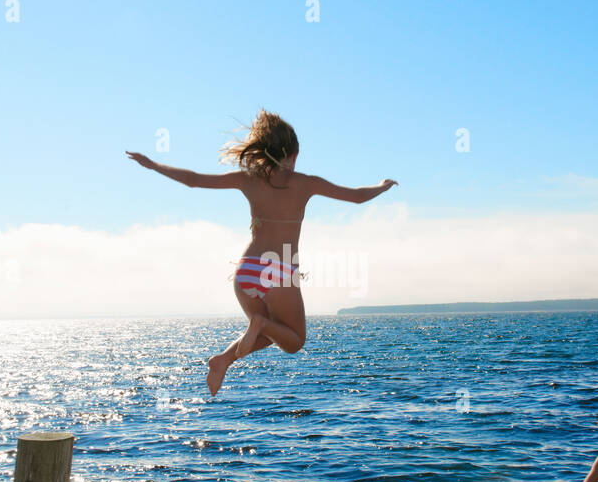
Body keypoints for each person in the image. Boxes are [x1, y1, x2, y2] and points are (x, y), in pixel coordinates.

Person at [127, 109, 397, 394]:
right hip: (278, 270)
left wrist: (153, 165)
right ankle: (258, 323)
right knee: (294, 341)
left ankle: (222, 360)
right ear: (292, 155)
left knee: (273, 331)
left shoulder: (249, 180)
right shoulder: (306, 183)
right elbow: (357, 197)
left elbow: (193, 179)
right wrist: (382, 187)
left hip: (246, 271)